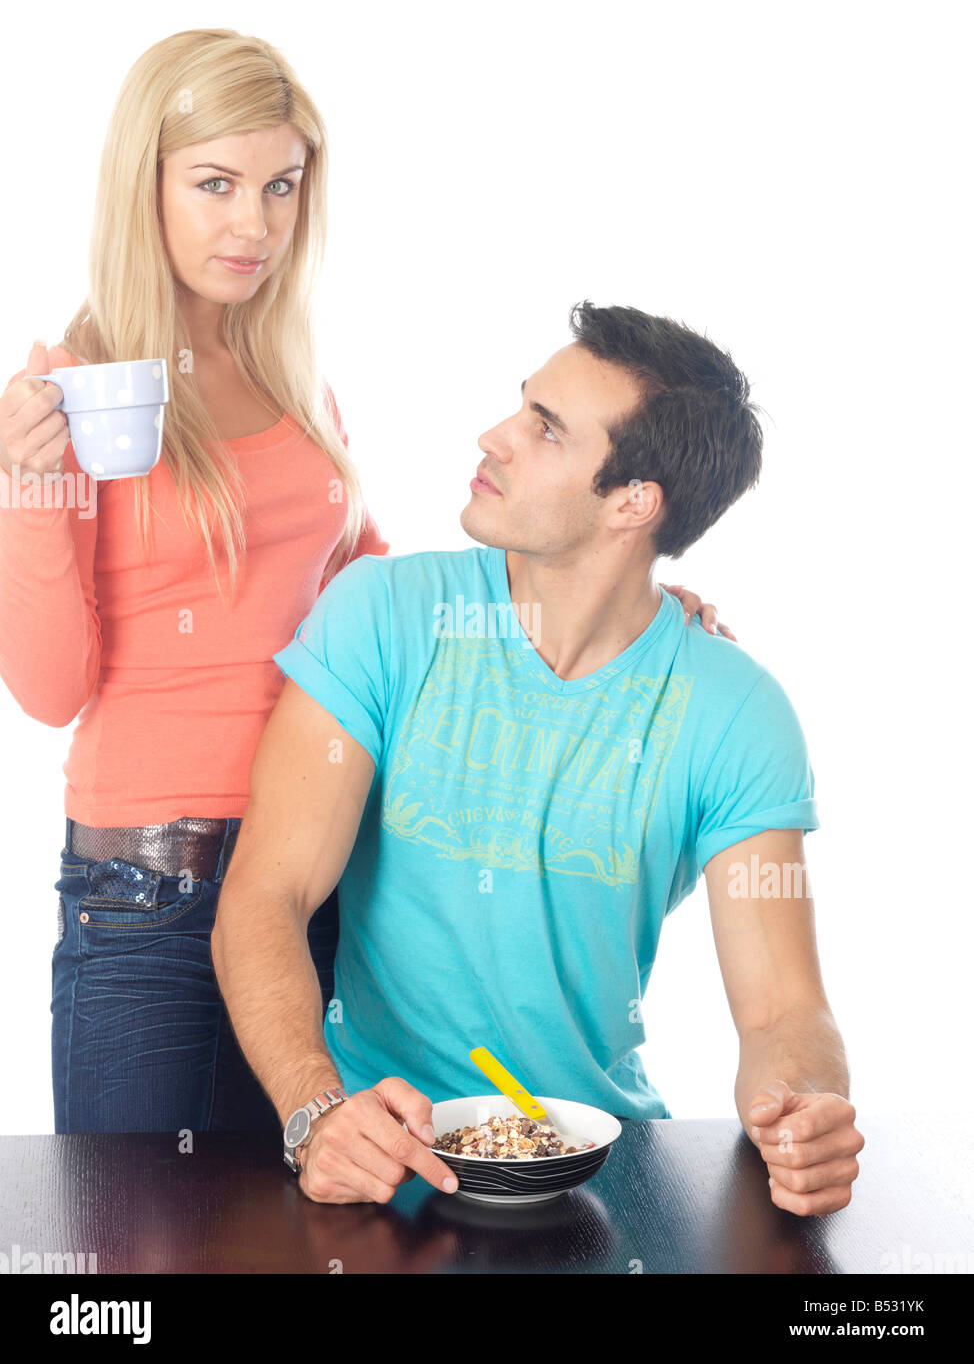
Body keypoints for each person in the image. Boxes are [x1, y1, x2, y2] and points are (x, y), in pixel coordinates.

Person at [0, 30, 719, 1134]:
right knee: (137, 1245)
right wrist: (26, 494)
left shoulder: (291, 376)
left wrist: (615, 597)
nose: (254, 225)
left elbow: (377, 588)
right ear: (140, 182)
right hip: (153, 888)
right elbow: (51, 691)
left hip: (323, 864)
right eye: (215, 185)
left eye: (280, 187)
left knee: (307, 1211)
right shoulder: (71, 395)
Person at [211, 302, 865, 1219]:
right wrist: (315, 1112)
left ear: (633, 502)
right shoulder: (383, 616)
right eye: (523, 405)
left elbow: (783, 1012)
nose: (495, 435)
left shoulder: (738, 713)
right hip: (387, 1159)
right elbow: (263, 896)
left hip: (603, 1175)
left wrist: (804, 1111)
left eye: (545, 429)